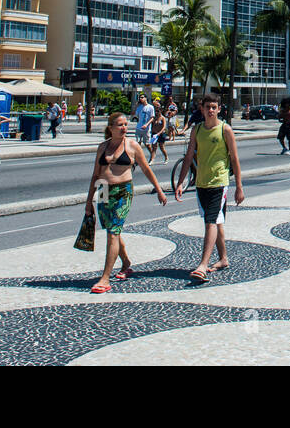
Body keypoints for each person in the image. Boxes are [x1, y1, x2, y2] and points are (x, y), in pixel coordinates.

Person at [85, 111, 168, 293]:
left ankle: (105, 278)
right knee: (111, 230)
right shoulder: (102, 147)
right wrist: (88, 202)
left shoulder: (132, 146)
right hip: (103, 189)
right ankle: (126, 263)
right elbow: (95, 174)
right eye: (120, 125)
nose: (124, 128)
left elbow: (146, 169)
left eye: (125, 125)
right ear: (111, 128)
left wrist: (159, 190)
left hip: (122, 191)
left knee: (113, 232)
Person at [171, 93, 244, 283]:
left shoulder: (225, 130)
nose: (210, 110)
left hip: (219, 183)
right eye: (207, 107)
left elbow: (235, 159)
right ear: (201, 109)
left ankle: (203, 265)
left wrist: (239, 187)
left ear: (219, 109)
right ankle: (223, 259)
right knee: (217, 221)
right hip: (202, 183)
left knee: (210, 221)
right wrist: (180, 183)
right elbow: (188, 157)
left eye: (214, 107)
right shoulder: (197, 130)